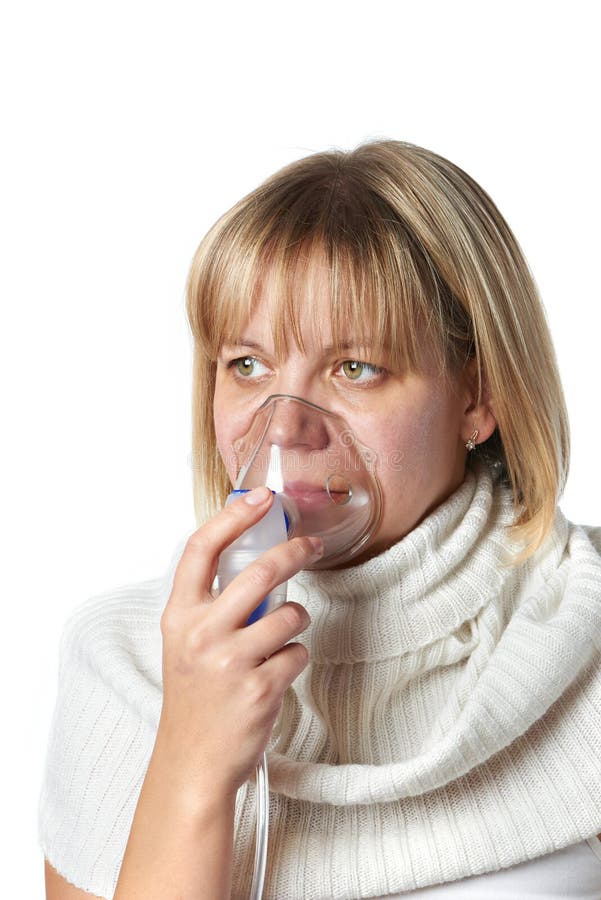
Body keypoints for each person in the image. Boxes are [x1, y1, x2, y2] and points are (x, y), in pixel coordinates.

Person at [39, 139, 601, 899]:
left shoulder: (580, 636)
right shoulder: (126, 660)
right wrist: (192, 760)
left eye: (354, 368)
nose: (280, 428)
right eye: (248, 365)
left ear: (478, 395)